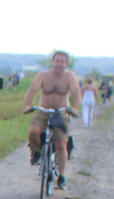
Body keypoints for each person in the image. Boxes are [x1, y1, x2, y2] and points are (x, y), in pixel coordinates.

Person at [22, 50, 81, 190]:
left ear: (66, 64)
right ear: (53, 62)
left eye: (62, 62)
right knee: (32, 132)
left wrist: (75, 108)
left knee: (61, 144)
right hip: (43, 111)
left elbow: (76, 93)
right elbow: (32, 90)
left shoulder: (70, 76)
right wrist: (27, 105)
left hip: (61, 113)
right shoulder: (43, 75)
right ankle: (36, 151)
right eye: (57, 61)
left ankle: (61, 176)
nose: (59, 64)